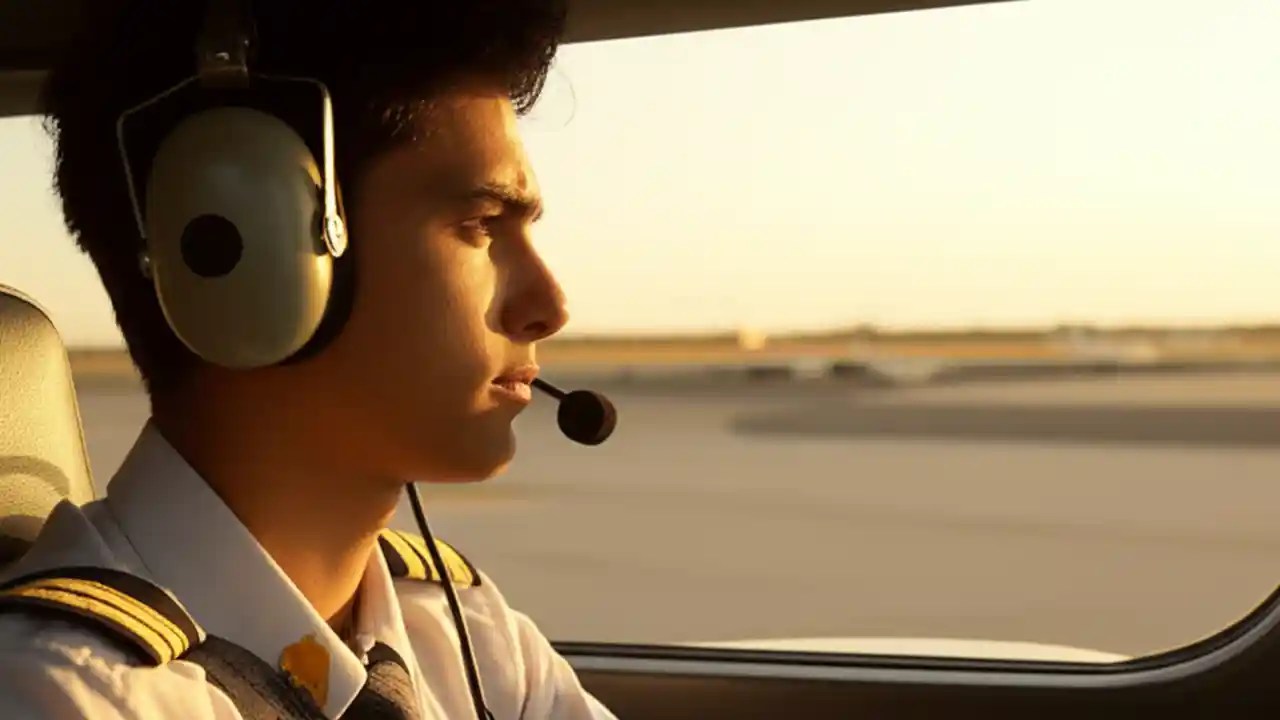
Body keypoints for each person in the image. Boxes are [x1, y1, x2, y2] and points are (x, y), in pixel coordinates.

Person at [0, 1, 617, 718]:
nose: (549, 305)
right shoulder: (62, 695)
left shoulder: (470, 641)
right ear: (246, 244)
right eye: (481, 225)